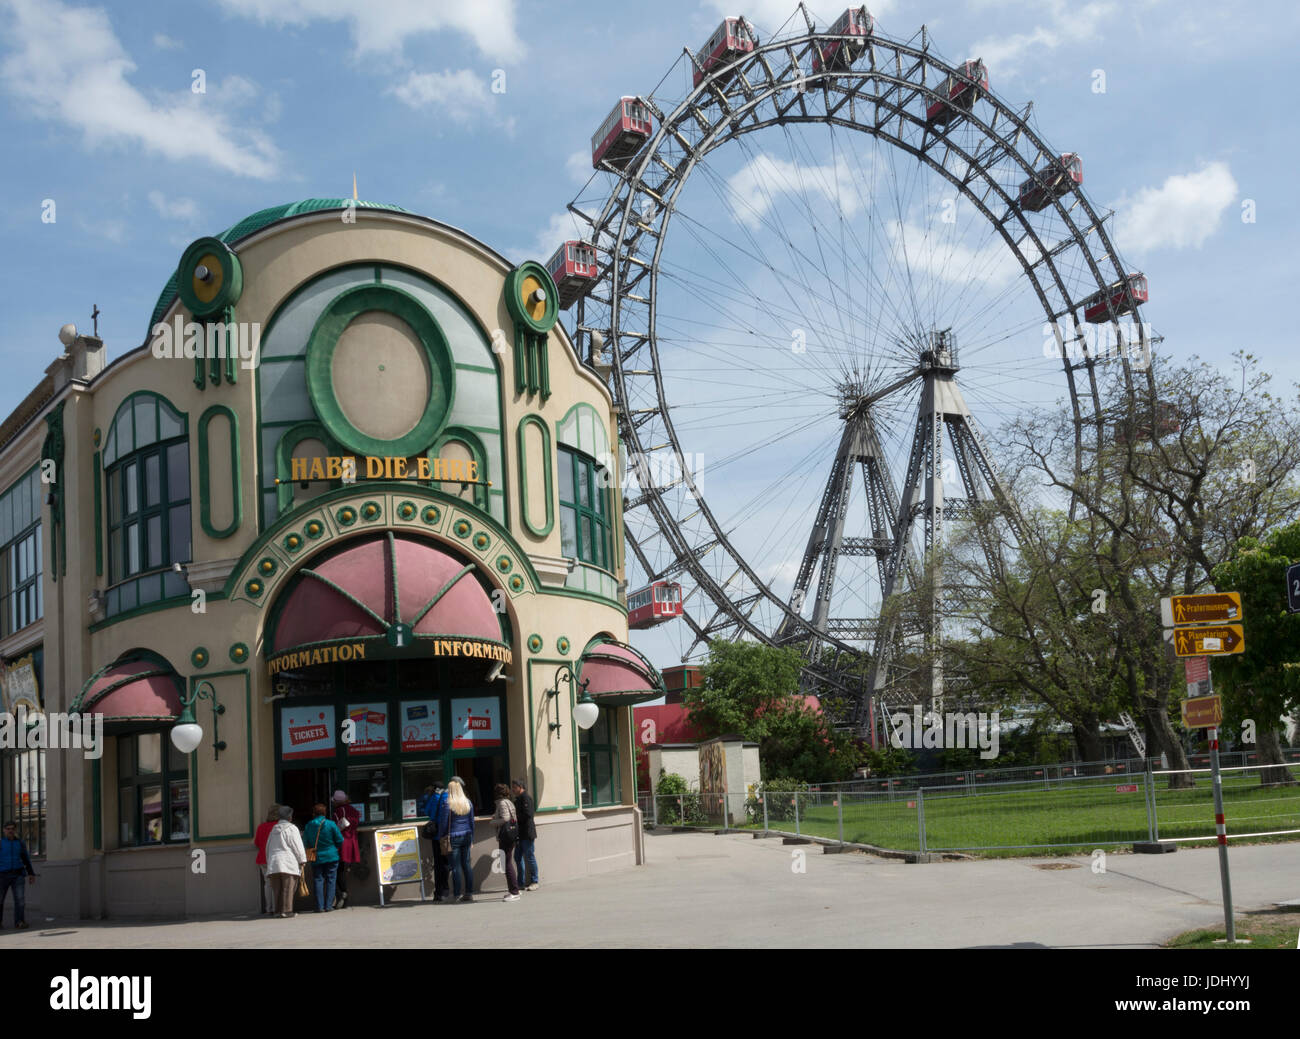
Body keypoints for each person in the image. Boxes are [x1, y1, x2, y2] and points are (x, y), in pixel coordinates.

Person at [264, 805, 307, 918]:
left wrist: (269, 861)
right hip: (288, 863)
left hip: (274, 864)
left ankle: (278, 911)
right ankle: (287, 911)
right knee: (288, 888)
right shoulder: (292, 828)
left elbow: (268, 847)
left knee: (277, 889)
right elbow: (297, 845)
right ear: (289, 817)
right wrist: (302, 859)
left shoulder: (273, 829)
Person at [437, 778, 475, 903]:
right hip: (467, 835)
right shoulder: (468, 802)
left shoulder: (448, 803)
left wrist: (441, 836)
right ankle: (469, 893)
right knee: (467, 865)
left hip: (453, 837)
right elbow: (471, 822)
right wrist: (472, 839)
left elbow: (443, 823)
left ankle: (457, 894)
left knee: (456, 867)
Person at [303, 803, 344, 913]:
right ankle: (328, 905)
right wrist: (334, 848)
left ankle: (320, 906)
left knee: (318, 880)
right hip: (331, 855)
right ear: (325, 813)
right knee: (331, 880)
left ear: (313, 813)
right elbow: (340, 840)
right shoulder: (330, 824)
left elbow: (305, 842)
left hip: (316, 857)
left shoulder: (308, 825)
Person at [0, 821, 37, 929]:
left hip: (18, 875)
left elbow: (26, 858)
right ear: (4, 830)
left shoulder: (20, 843)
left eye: (12, 828)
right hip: (2, 875)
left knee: (20, 900)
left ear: (15, 830)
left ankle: (19, 922)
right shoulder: (1, 843)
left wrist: (31, 873)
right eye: (8, 828)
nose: (10, 831)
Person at [331, 790, 361, 909]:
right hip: (352, 841)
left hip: (341, 843)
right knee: (343, 869)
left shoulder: (338, 811)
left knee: (338, 870)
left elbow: (334, 828)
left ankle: (342, 894)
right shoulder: (354, 811)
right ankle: (344, 897)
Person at [491, 783, 520, 902]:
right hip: (511, 835)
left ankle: (514, 892)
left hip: (506, 837)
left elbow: (506, 818)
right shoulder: (509, 802)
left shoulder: (502, 803)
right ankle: (513, 890)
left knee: (506, 863)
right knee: (507, 862)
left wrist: (493, 822)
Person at [511, 778, 539, 891]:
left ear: (520, 787)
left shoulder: (526, 798)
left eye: (514, 787)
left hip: (527, 833)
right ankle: (520, 882)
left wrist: (514, 818)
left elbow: (528, 815)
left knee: (530, 857)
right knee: (517, 857)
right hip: (519, 834)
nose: (513, 789)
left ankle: (535, 881)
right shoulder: (517, 799)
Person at [424, 781, 450, 902]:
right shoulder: (447, 796)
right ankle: (446, 890)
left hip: (435, 837)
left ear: (434, 789)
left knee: (438, 864)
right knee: (446, 863)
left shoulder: (433, 797)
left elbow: (427, 811)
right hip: (445, 836)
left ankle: (438, 893)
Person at [253, 804, 280, 914]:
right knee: (276, 885)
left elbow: (257, 843)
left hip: (262, 858)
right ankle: (275, 908)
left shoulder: (261, 827)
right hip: (275, 858)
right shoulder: (279, 826)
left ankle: (268, 908)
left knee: (267, 884)